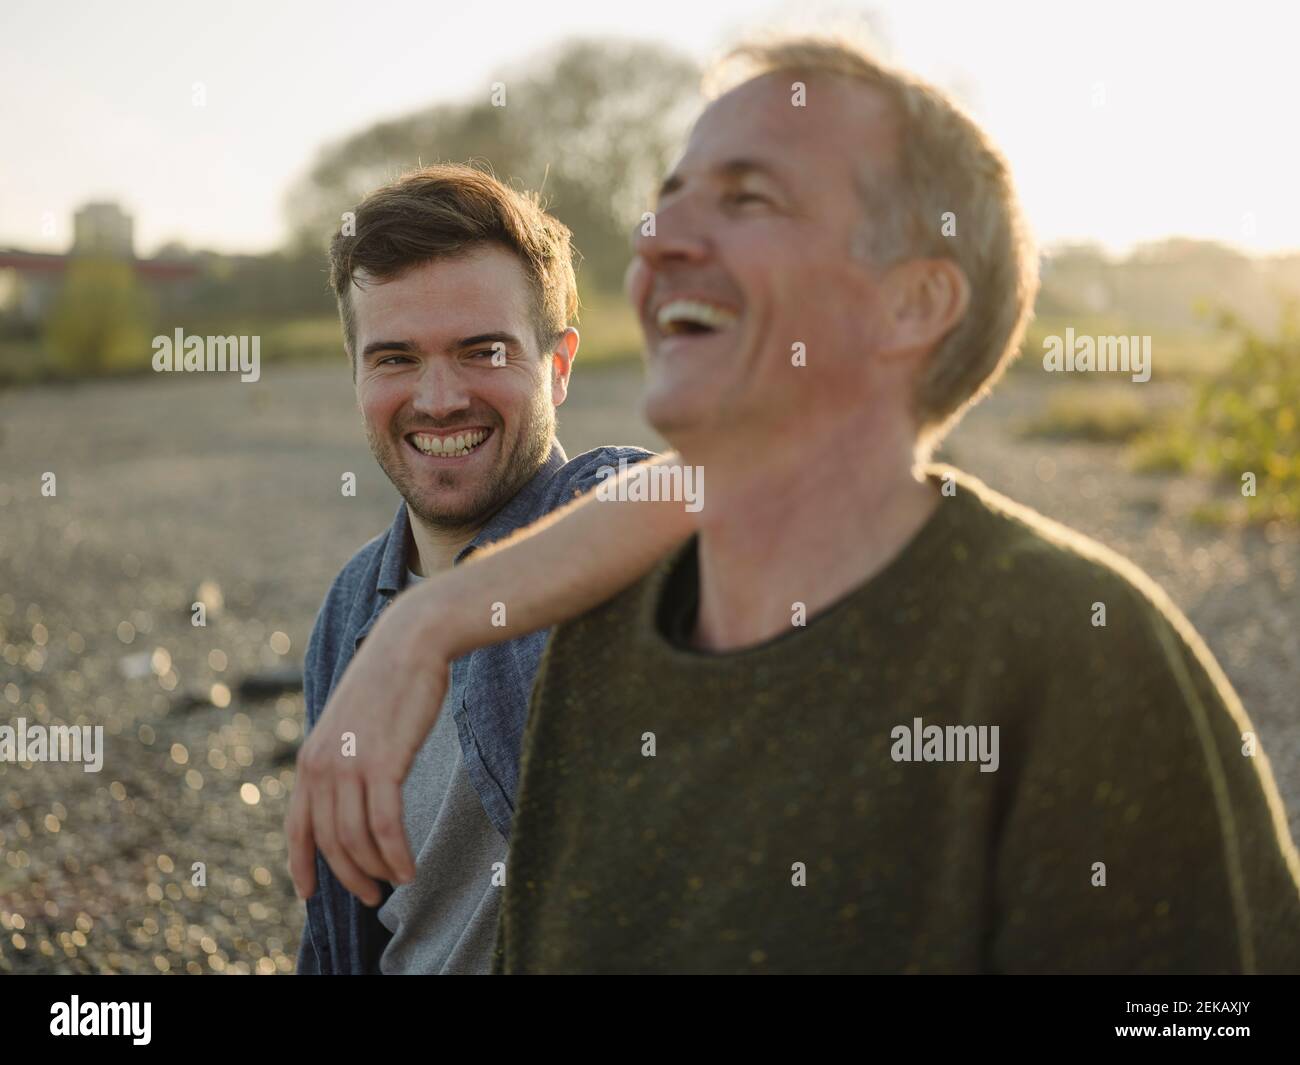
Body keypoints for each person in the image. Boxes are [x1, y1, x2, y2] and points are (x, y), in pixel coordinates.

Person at [291, 37, 1300, 973]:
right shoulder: (596, 645)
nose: (657, 239)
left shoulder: (1083, 649)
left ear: (914, 302)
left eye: (750, 198)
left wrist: (433, 616)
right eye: (669, 198)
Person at [289, 163, 655, 973]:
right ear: (355, 375)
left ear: (558, 364)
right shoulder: (351, 607)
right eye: (394, 359)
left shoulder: (616, 529)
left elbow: (720, 483)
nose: (441, 397)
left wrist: (436, 619)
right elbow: (335, 931)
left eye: (482, 349)